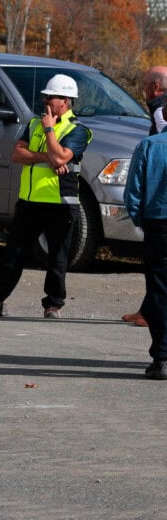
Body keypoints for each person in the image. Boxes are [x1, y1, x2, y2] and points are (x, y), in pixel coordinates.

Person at [0, 74, 92, 320]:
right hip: (29, 201)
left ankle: (53, 305)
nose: (46, 100)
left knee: (57, 258)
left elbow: (61, 158)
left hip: (59, 203)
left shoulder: (78, 131)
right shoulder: (34, 124)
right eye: (45, 96)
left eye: (52, 97)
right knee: (13, 254)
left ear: (66, 101)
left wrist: (50, 131)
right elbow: (17, 155)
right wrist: (46, 157)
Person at [121, 65, 167, 327]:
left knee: (158, 267)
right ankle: (147, 310)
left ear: (154, 88)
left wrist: (140, 215)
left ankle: (153, 317)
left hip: (159, 208)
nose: (142, 90)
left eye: (145, 85)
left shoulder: (161, 111)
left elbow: (159, 145)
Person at [124, 128, 167, 380]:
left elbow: (134, 192)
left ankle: (162, 358)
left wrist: (142, 221)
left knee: (160, 289)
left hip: (158, 222)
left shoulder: (149, 146)